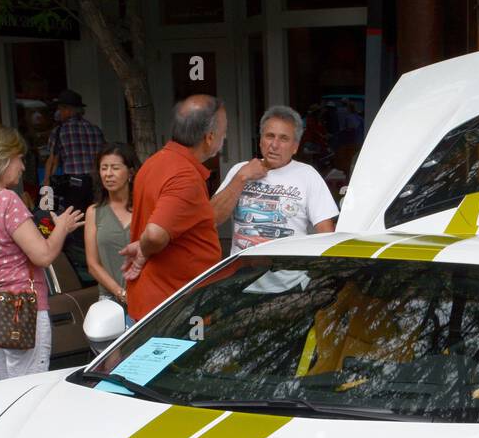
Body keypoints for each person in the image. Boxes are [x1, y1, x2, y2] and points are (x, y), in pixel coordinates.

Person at [0, 122, 83, 380]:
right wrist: (62, 227)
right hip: (21, 308)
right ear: (1, 158)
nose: (22, 166)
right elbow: (42, 255)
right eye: (18, 159)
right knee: (28, 390)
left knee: (5, 390)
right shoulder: (6, 199)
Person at [120, 95, 224, 322]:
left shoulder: (156, 161)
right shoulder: (184, 175)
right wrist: (144, 250)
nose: (224, 137)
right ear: (209, 138)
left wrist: (143, 244)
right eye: (223, 131)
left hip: (156, 307)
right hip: (174, 314)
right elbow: (156, 234)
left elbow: (161, 228)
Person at [211, 104, 338, 253]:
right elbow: (211, 218)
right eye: (269, 136)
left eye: (284, 139)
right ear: (260, 141)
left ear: (295, 147)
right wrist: (241, 177)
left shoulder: (308, 175)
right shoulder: (239, 171)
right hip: (245, 274)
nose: (274, 145)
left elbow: (326, 233)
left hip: (291, 275)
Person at [84, 143, 135, 306]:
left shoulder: (146, 207)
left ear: (130, 172)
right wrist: (121, 293)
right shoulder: (94, 211)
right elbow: (92, 264)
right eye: (103, 168)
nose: (108, 174)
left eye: (115, 168)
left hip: (148, 298)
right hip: (109, 300)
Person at [44, 90, 105, 186]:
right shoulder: (96, 130)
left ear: (67, 110)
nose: (58, 112)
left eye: (60, 109)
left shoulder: (59, 131)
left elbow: (53, 161)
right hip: (96, 182)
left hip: (74, 183)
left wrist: (46, 182)